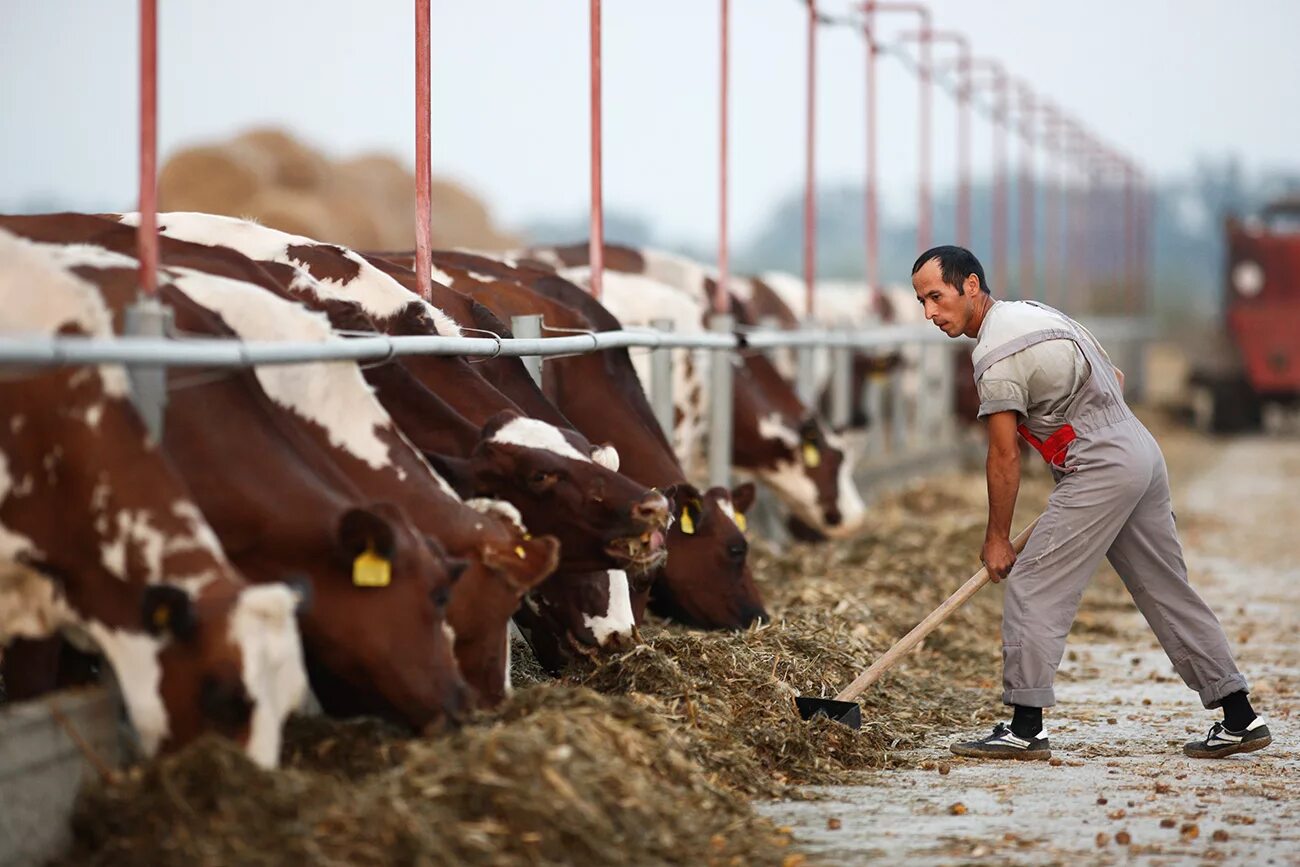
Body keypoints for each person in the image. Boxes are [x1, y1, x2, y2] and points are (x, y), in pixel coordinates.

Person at [911, 245, 1270, 761]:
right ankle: (1239, 715)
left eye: (936, 297)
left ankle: (1024, 727)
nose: (929, 313)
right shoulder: (1038, 314)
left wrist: (996, 538)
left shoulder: (993, 352)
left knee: (1033, 579)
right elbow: (1116, 380)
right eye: (922, 302)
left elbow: (1004, 455)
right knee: (1167, 588)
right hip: (1140, 450)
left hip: (1102, 464)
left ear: (970, 286)